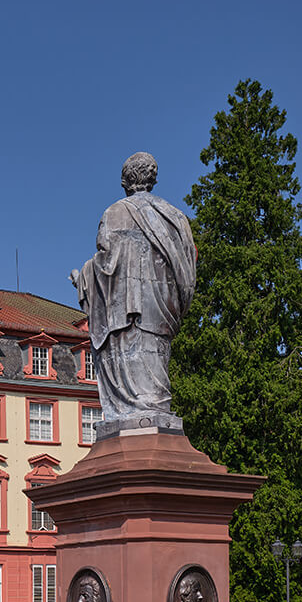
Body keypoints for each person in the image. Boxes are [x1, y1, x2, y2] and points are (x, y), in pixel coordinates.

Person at [72, 152, 196, 427]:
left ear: (126, 182)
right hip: (164, 309)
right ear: (153, 179)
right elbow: (189, 264)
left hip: (128, 315)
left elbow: (106, 263)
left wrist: (83, 277)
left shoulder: (116, 212)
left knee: (134, 379)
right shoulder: (176, 218)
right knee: (157, 378)